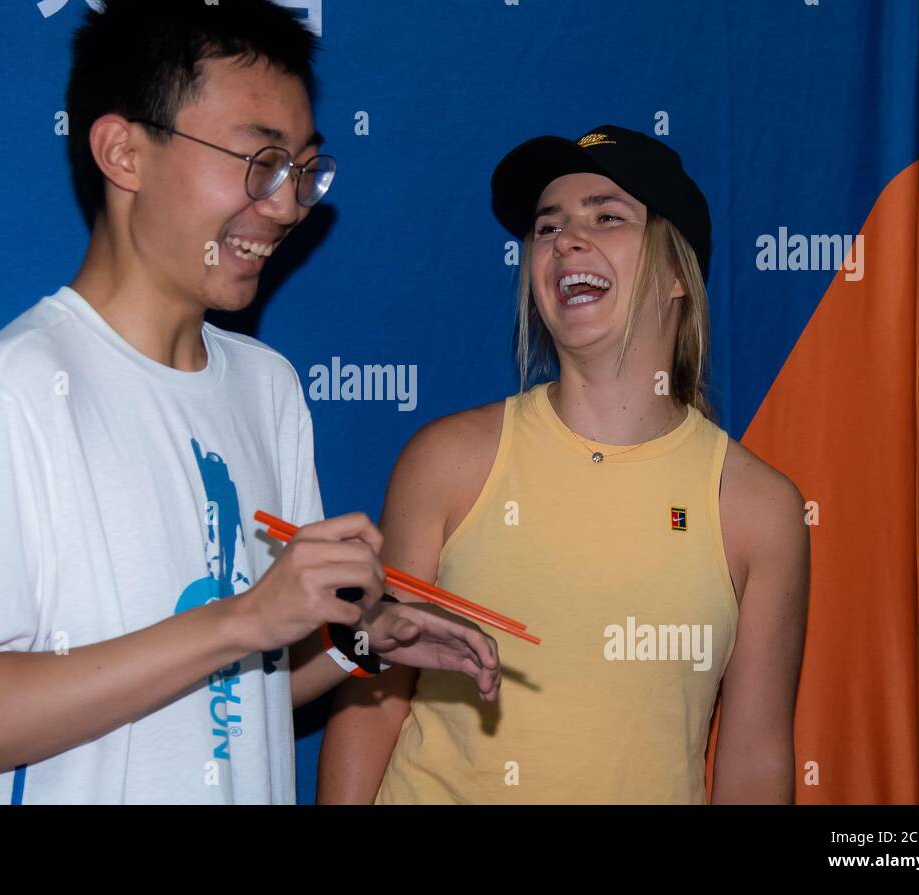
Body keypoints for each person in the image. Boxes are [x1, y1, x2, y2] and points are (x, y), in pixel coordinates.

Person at [0, 0, 499, 805]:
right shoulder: (16, 391)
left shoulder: (268, 387)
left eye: (301, 168)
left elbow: (236, 701)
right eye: (259, 163)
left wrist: (362, 645)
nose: (286, 204)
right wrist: (245, 617)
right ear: (124, 153)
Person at [318, 125, 810, 804]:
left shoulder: (759, 508)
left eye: (607, 217)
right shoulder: (447, 462)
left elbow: (754, 760)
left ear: (676, 272)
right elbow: (375, 687)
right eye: (548, 227)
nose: (566, 240)